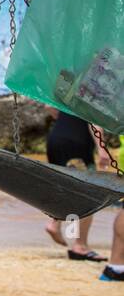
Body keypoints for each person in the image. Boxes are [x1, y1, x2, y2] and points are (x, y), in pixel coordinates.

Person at [43, 108, 119, 271]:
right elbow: (95, 121)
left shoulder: (67, 89)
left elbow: (48, 107)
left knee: (66, 188)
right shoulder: (93, 91)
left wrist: (68, 120)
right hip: (77, 144)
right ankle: (79, 246)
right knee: (87, 195)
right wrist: (102, 148)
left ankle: (56, 225)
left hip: (55, 139)